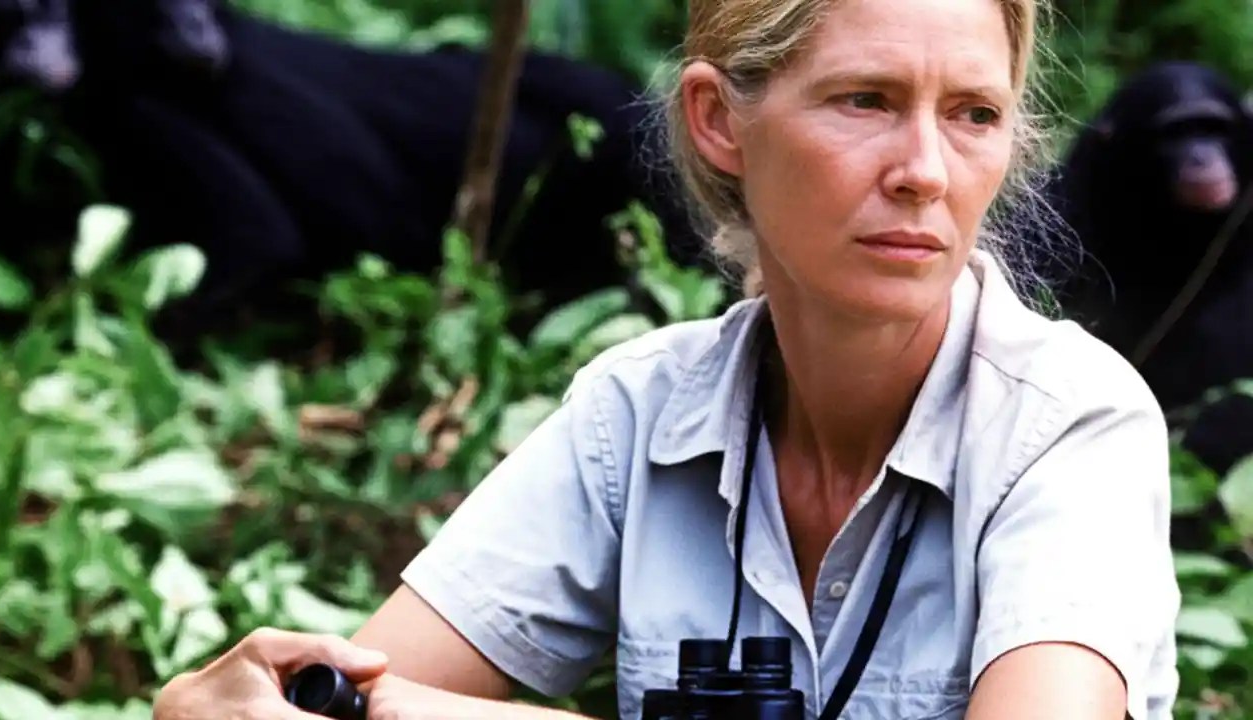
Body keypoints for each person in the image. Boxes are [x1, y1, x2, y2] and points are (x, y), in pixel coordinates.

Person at [151, 0, 1182, 717]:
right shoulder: (638, 411)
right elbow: (344, 692)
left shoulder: (1068, 422)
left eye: (972, 115)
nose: (923, 172)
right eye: (864, 99)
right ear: (717, 120)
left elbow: (388, 707)